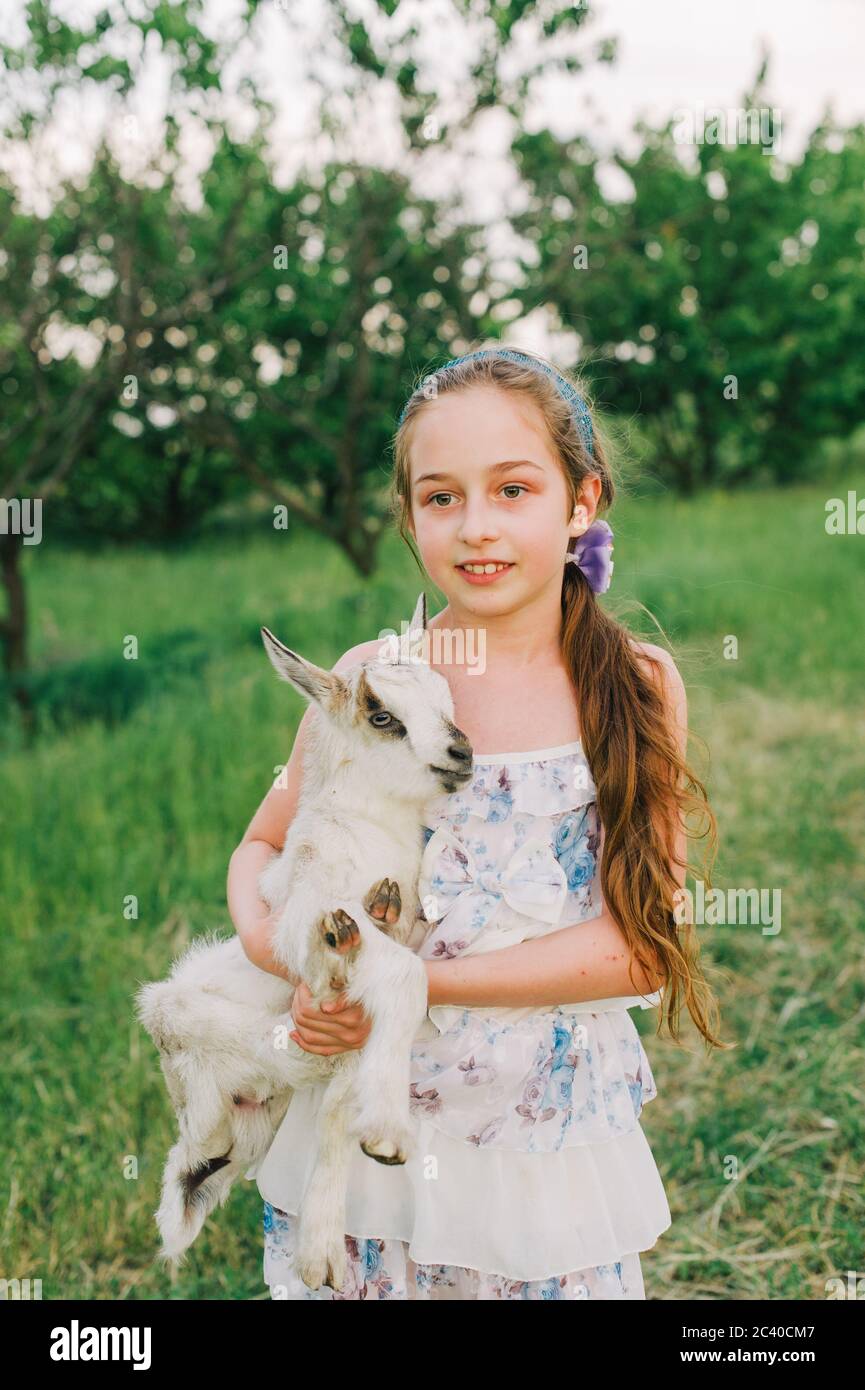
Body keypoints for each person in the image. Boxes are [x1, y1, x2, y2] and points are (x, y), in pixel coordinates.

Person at [227, 345, 727, 1301]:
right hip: (367, 1120)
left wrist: (416, 978)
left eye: (511, 488)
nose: (475, 527)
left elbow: (640, 946)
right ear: (408, 515)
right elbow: (261, 846)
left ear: (581, 502)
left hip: (531, 1139)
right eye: (441, 497)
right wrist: (285, 959)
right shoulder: (370, 679)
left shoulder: (636, 686)